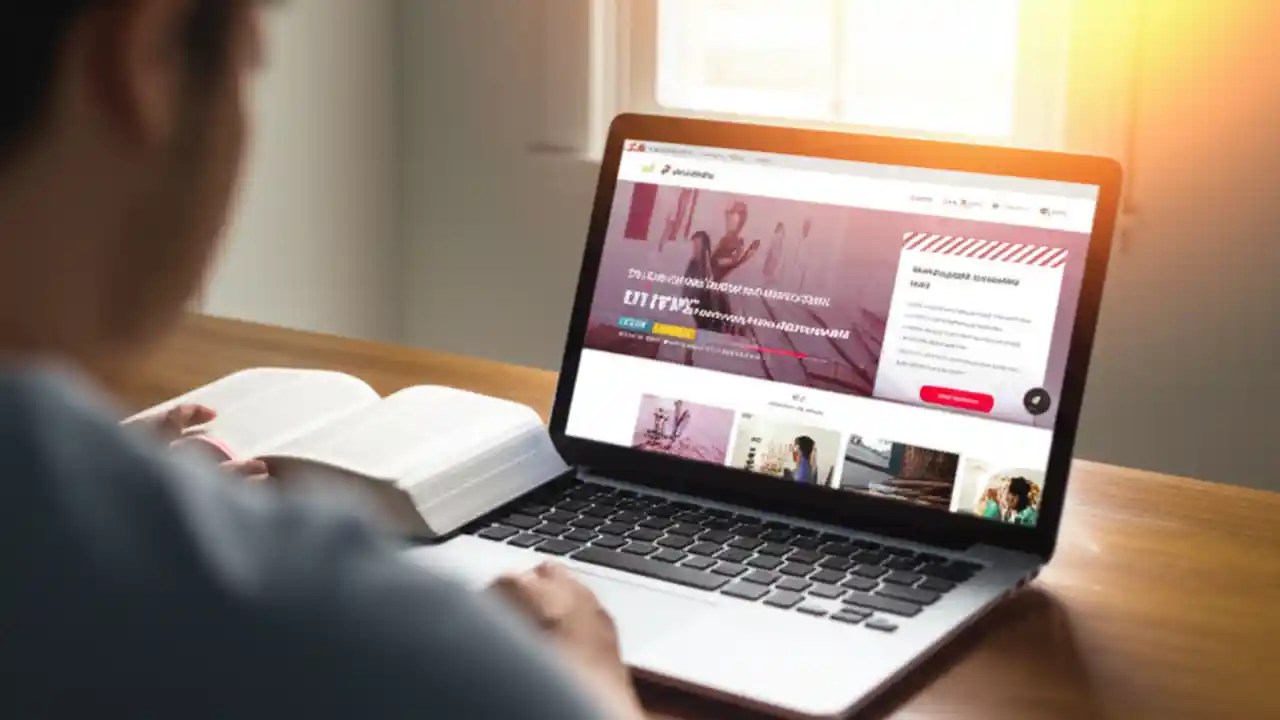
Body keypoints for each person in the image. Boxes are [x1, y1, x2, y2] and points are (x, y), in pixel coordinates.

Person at [0, 2, 643, 718]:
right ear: (144, 57)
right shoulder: (355, 640)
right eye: (251, 64)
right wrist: (588, 687)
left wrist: (103, 473)